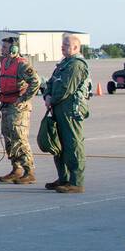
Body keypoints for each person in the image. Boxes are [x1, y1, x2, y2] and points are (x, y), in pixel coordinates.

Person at [44, 33, 89, 194]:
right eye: (63, 44)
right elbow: (50, 82)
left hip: (70, 110)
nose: (63, 47)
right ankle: (63, 178)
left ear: (76, 47)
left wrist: (52, 99)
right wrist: (47, 95)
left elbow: (66, 88)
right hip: (58, 108)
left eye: (66, 45)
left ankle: (76, 181)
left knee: (73, 144)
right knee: (58, 145)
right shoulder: (64, 63)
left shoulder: (76, 65)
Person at [0, 35, 41, 184]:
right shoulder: (5, 63)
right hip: (6, 105)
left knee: (20, 138)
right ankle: (16, 169)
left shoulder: (21, 64)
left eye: (5, 47)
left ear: (14, 48)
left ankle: (29, 171)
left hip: (18, 108)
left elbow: (35, 81)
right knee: (9, 138)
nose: (2, 49)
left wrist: (23, 99)